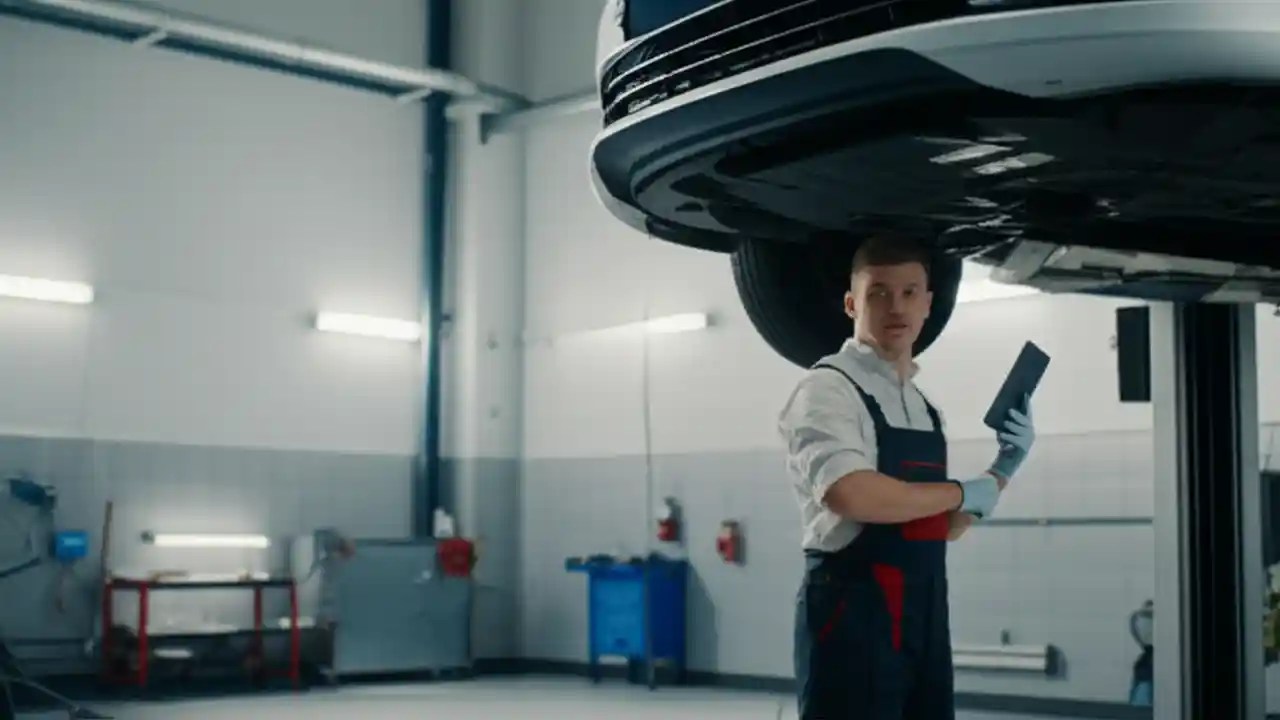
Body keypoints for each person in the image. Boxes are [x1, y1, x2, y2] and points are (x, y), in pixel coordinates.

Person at [777, 233, 1036, 719]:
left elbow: (941, 525)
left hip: (922, 619)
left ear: (928, 304)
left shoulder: (924, 407)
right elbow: (850, 494)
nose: (896, 306)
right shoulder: (827, 388)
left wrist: (1003, 468)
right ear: (853, 303)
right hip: (850, 621)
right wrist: (961, 490)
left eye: (910, 292)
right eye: (879, 292)